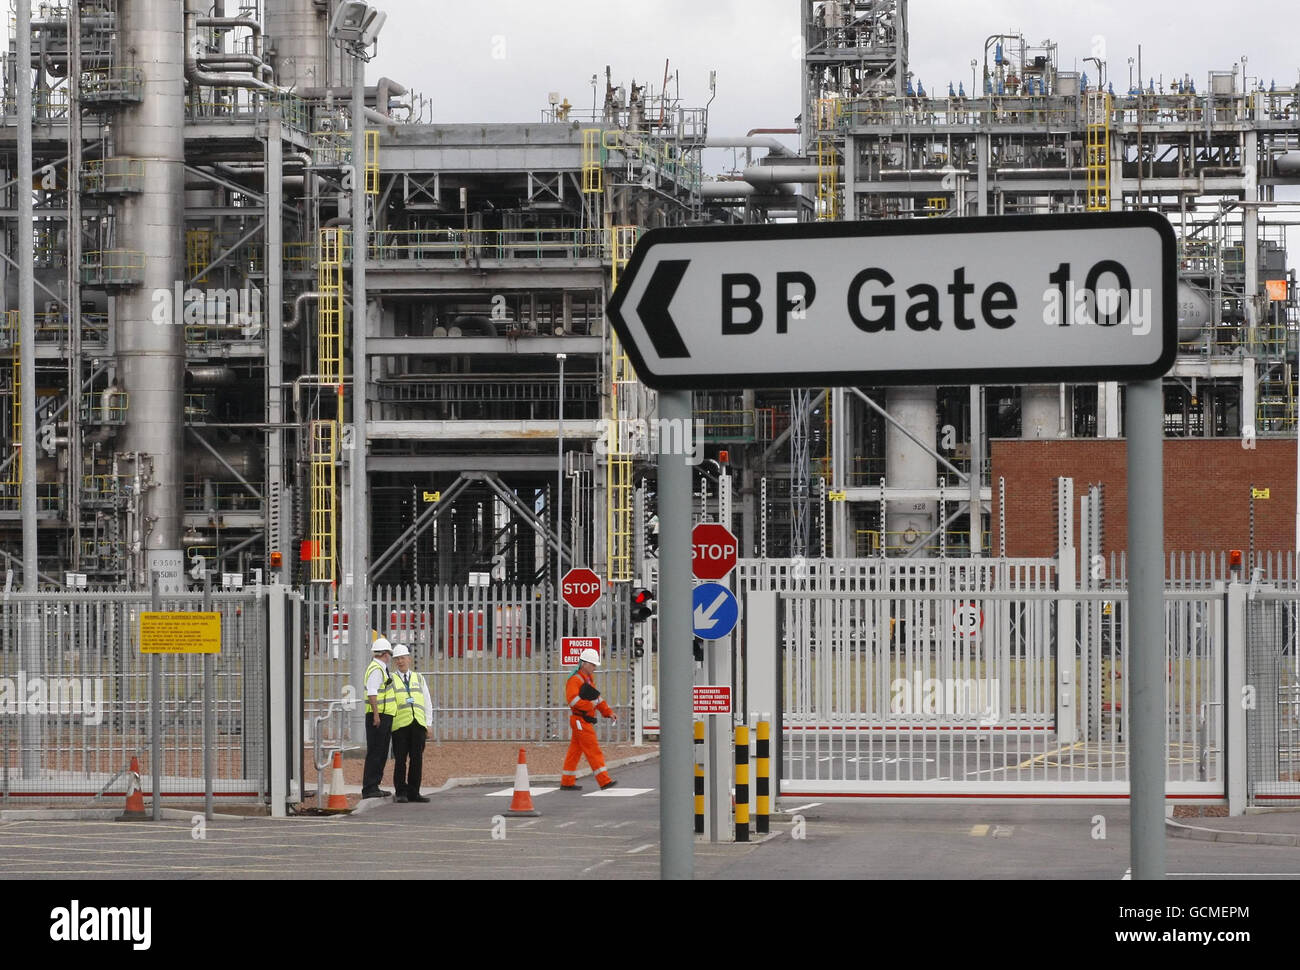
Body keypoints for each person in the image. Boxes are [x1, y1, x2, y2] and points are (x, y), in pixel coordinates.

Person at [560, 647, 618, 791]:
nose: (594, 667)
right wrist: (589, 705)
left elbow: (597, 699)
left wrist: (608, 712)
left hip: (581, 721)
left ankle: (567, 782)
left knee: (574, 752)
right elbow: (573, 701)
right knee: (593, 750)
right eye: (592, 665)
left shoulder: (586, 679)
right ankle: (604, 781)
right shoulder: (575, 680)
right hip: (580, 720)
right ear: (584, 664)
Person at [389, 643, 432, 803]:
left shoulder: (419, 678)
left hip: (418, 724)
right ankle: (401, 791)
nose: (400, 661)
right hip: (400, 725)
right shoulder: (391, 679)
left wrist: (428, 723)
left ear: (409, 659)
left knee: (417, 759)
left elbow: (427, 701)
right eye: (397, 659)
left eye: (403, 658)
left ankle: (414, 792)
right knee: (400, 759)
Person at [362, 638, 395, 798]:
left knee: (381, 751)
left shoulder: (380, 668)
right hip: (378, 716)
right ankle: (370, 787)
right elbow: (372, 693)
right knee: (376, 751)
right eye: (389, 653)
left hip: (383, 715)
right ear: (385, 654)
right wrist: (376, 715)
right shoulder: (376, 669)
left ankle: (374, 785)